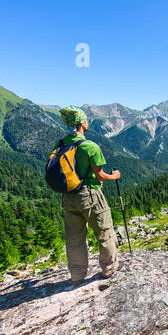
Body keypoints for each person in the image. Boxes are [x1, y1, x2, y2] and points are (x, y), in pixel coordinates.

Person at [54, 106, 121, 284]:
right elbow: (100, 175)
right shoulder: (90, 146)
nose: (88, 122)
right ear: (81, 123)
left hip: (68, 197)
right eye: (86, 119)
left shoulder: (61, 144)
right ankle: (109, 268)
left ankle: (77, 275)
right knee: (104, 231)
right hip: (90, 195)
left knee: (74, 238)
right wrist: (115, 176)